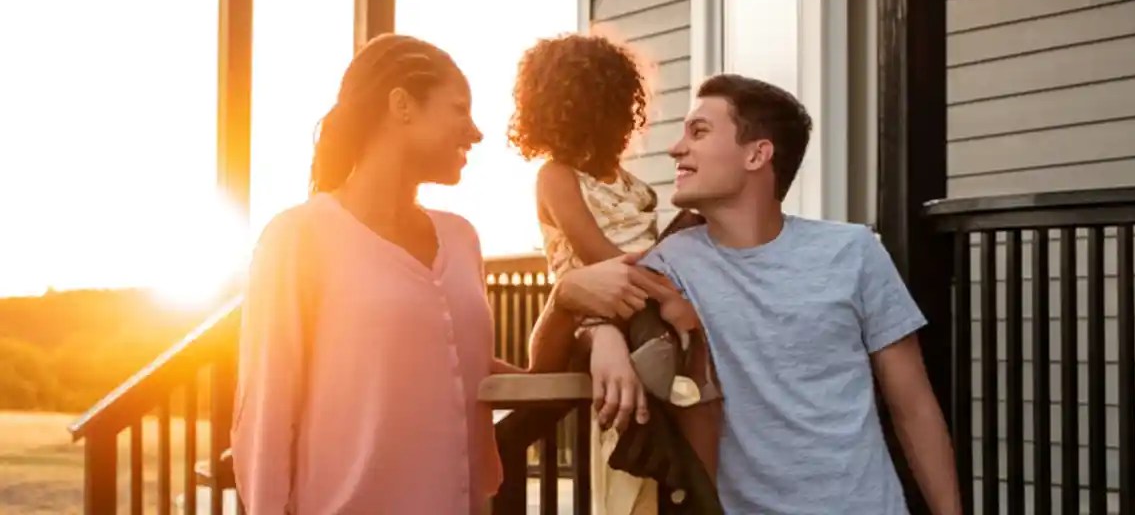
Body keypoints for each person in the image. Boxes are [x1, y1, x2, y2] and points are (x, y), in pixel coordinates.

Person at [569, 74, 963, 514]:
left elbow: (914, 406)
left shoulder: (854, 251)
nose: (676, 148)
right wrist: (602, 334)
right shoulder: (669, 265)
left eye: (698, 132)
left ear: (757, 154)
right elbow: (581, 314)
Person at [232, 34, 519, 515]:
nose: (475, 132)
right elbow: (267, 410)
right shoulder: (298, 237)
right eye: (459, 109)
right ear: (402, 105)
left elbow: (455, 366)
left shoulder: (462, 238)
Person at [509, 31, 717, 514]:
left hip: (642, 301)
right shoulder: (555, 177)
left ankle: (668, 390)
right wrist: (665, 288)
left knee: (694, 225)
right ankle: (666, 414)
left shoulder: (635, 188)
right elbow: (597, 254)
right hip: (594, 308)